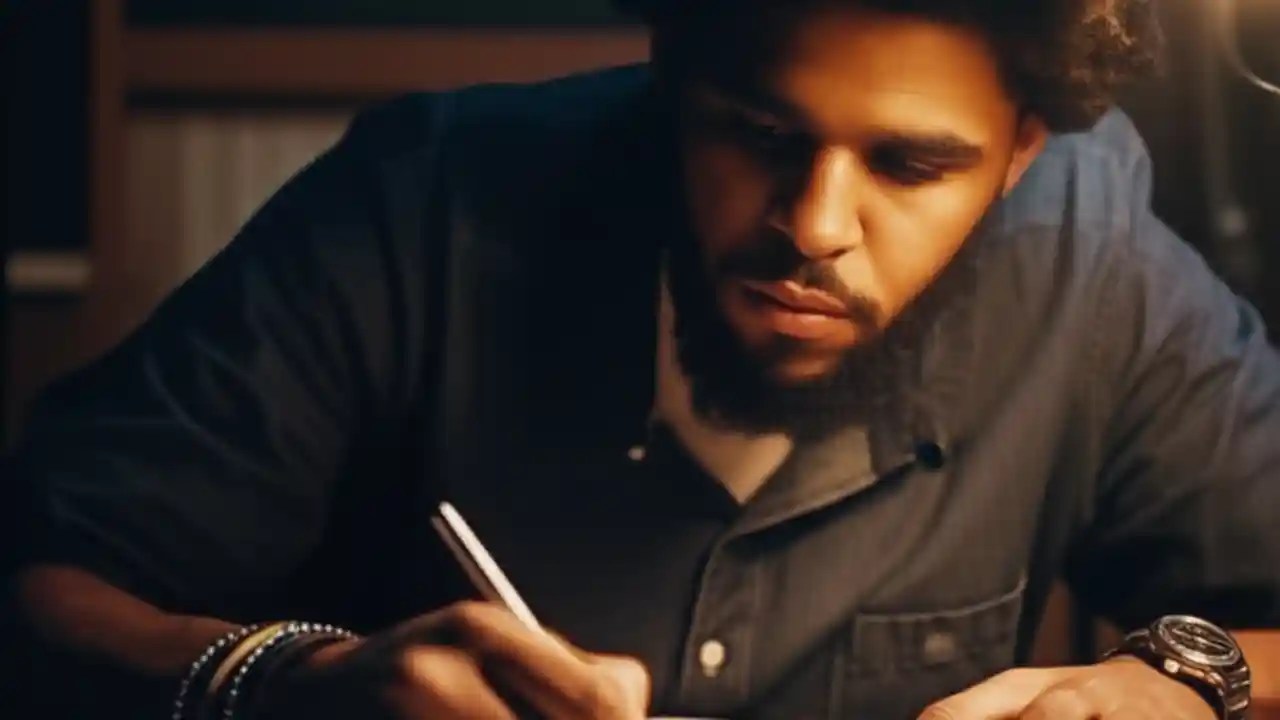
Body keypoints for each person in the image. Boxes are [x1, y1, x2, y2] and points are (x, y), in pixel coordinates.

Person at [5, 0, 1280, 718]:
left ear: (1018, 154)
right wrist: (295, 684)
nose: (812, 228)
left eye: (907, 166)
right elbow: (40, 593)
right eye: (757, 134)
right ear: (671, 73)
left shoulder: (1089, 257)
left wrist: (1175, 683)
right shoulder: (420, 205)